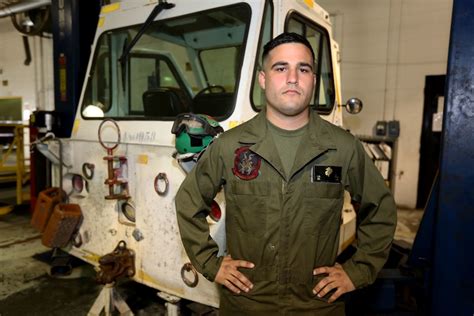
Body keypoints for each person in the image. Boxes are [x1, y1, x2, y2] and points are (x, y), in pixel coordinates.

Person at [175, 32, 397, 315]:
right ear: (263, 79)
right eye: (281, 68)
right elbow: (188, 202)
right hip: (246, 303)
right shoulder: (230, 147)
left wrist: (358, 271)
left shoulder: (343, 148)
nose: (293, 77)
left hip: (317, 305)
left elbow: (381, 209)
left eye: (303, 69)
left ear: (314, 81)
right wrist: (211, 263)